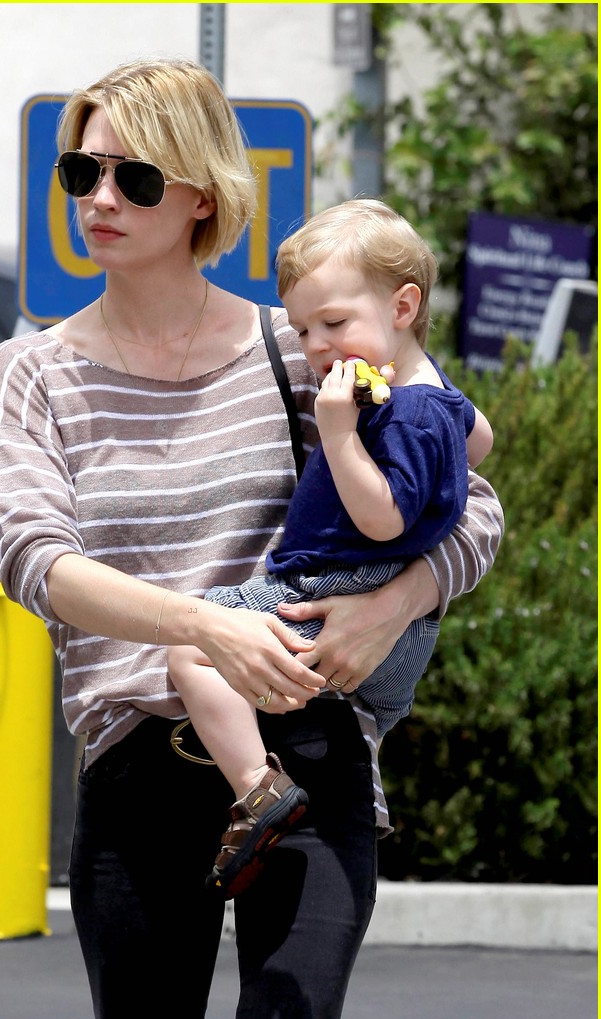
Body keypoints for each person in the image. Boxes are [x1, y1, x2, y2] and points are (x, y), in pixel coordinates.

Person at [0, 57, 503, 1019]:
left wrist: (395, 602)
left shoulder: (303, 343)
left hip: (306, 766)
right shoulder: (34, 374)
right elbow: (33, 559)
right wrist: (204, 622)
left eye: (131, 174)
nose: (97, 196)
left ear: (202, 194)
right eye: (81, 169)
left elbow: (470, 501)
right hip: (135, 777)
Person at [167, 200, 494, 900]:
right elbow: (480, 441)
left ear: (403, 306)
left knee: (192, 648)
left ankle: (257, 788)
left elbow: (381, 520)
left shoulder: (394, 411)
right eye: (303, 329)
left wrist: (339, 434)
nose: (316, 346)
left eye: (334, 324)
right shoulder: (429, 393)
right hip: (395, 627)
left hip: (332, 584)